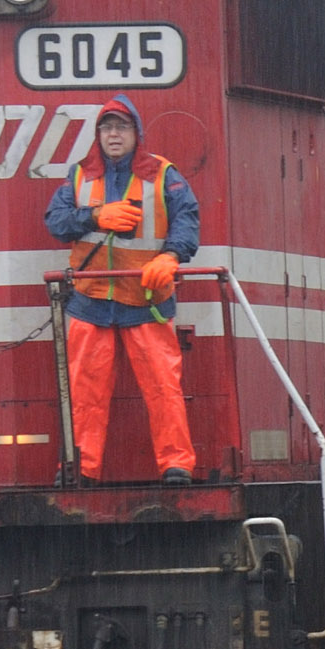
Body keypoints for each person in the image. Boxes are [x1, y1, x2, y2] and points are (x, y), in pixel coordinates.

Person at [43, 95, 201, 483]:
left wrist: (171, 257)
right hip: (91, 299)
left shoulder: (164, 174)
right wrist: (96, 216)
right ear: (98, 134)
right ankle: (81, 469)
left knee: (163, 387)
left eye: (122, 127)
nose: (114, 135)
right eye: (107, 128)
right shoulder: (79, 175)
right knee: (85, 393)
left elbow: (187, 219)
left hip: (146, 298)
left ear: (137, 133)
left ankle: (176, 465)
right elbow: (56, 222)